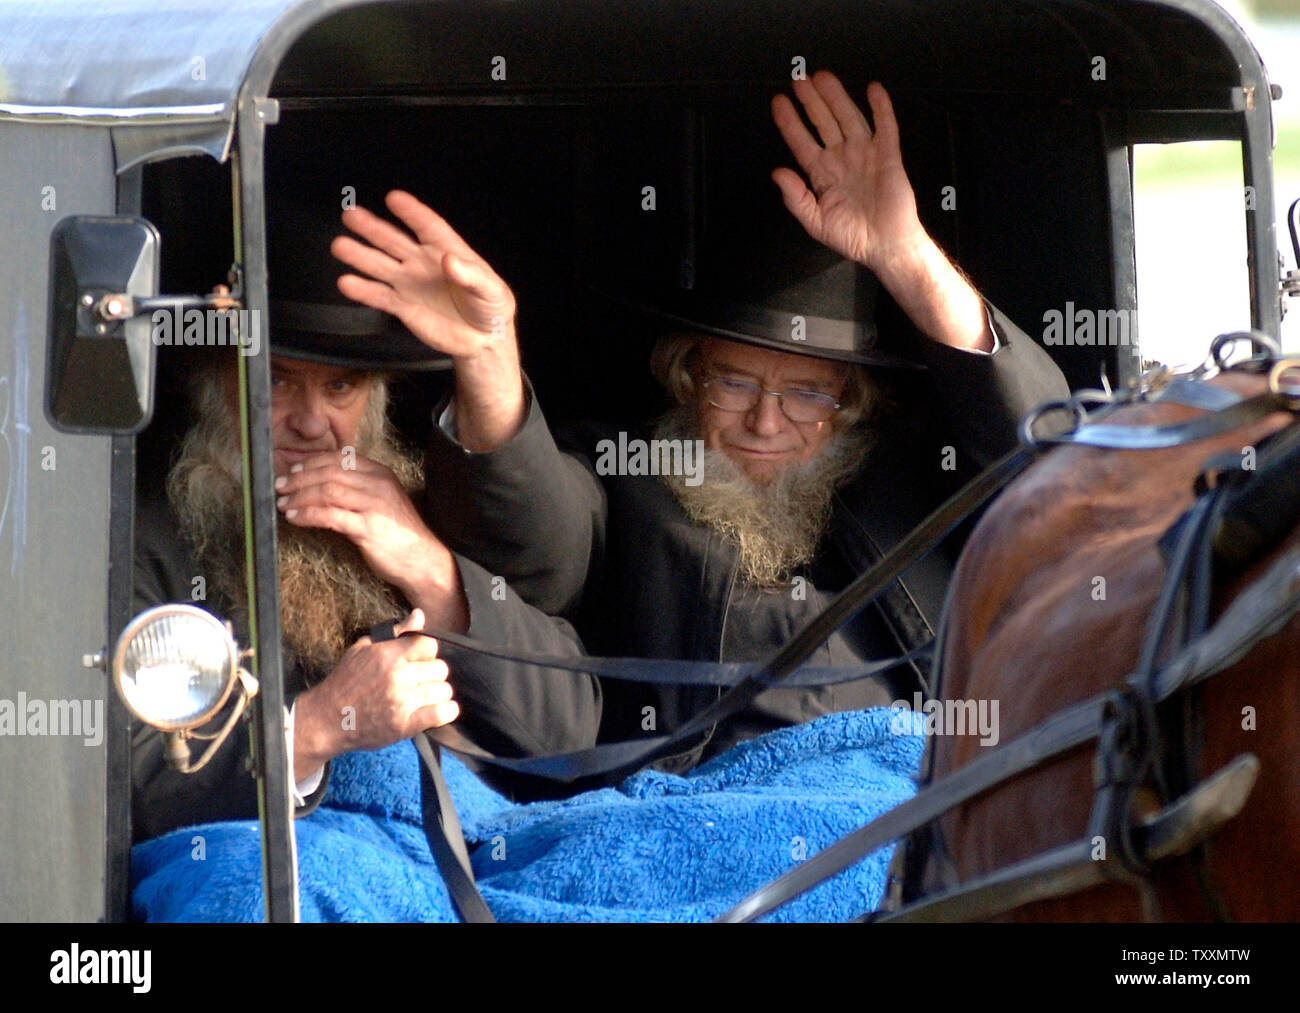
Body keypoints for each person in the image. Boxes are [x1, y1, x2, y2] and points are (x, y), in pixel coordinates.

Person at [329, 70, 1070, 774]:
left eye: (807, 393)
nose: (765, 419)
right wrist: (489, 356)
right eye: (735, 381)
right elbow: (530, 539)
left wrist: (906, 256)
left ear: (851, 403)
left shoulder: (924, 484)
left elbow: (1058, 466)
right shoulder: (631, 477)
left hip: (893, 810)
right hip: (688, 816)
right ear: (689, 376)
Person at [131, 277, 600, 843]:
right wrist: (317, 727)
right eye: (276, 381)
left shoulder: (426, 509)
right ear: (212, 386)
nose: (310, 422)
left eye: (341, 386)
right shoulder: (151, 538)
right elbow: (122, 787)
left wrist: (431, 570)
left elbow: (572, 732)